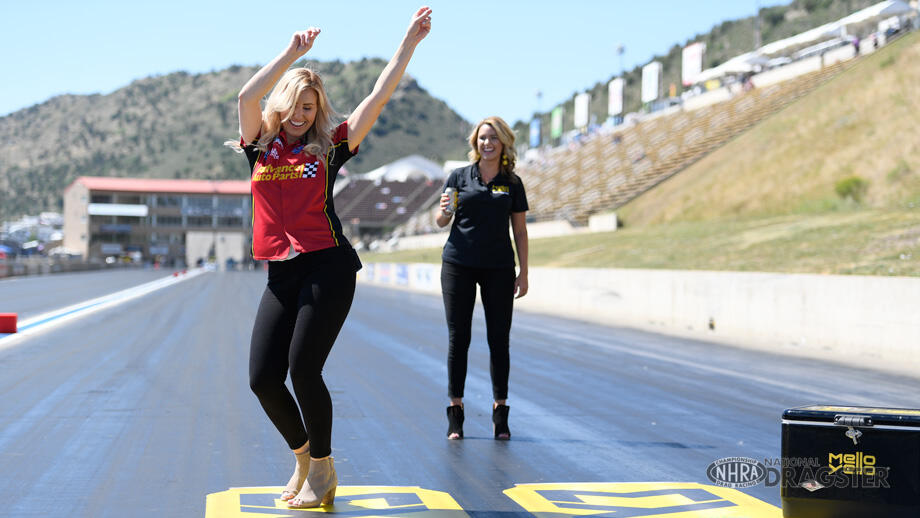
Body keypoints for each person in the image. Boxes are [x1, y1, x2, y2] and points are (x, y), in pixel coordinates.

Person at [228, 7, 431, 509]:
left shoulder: (330, 147)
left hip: (329, 266)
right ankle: (303, 455)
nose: (303, 115)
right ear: (283, 105)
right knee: (261, 379)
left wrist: (408, 43)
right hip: (281, 271)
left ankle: (322, 466)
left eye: (311, 107)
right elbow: (245, 97)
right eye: (297, 105)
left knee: (302, 368)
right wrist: (292, 54)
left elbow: (378, 97)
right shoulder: (260, 146)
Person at [436, 116, 529, 441]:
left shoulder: (512, 183)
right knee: (457, 339)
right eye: (482, 138)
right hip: (458, 265)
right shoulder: (459, 176)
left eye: (493, 138)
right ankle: (455, 412)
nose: (487, 143)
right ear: (475, 143)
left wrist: (524, 272)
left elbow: (519, 230)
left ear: (504, 142)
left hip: (499, 268)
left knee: (498, 341)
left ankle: (500, 414)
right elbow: (440, 220)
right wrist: (445, 210)